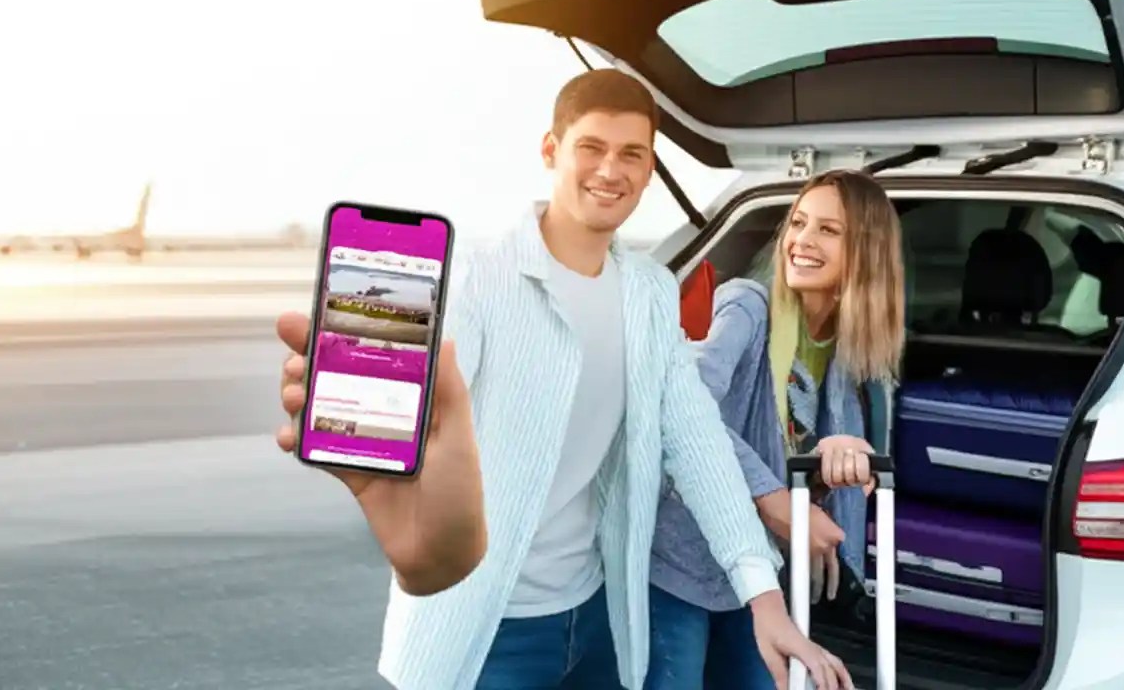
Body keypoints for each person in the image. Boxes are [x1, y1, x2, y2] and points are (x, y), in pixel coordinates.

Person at [273, 68, 859, 690]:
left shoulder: (648, 293)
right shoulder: (478, 279)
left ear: (649, 168)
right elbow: (409, 426)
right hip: (486, 626)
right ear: (551, 151)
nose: (611, 171)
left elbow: (697, 444)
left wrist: (763, 596)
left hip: (599, 621)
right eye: (592, 148)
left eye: (632, 154)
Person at [644, 169, 906, 688]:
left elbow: (790, 452)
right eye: (799, 223)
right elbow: (687, 408)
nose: (802, 241)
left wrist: (833, 461)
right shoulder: (748, 304)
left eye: (828, 230)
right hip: (681, 560)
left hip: (757, 571)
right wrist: (773, 498)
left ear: (868, 252)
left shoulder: (849, 358)